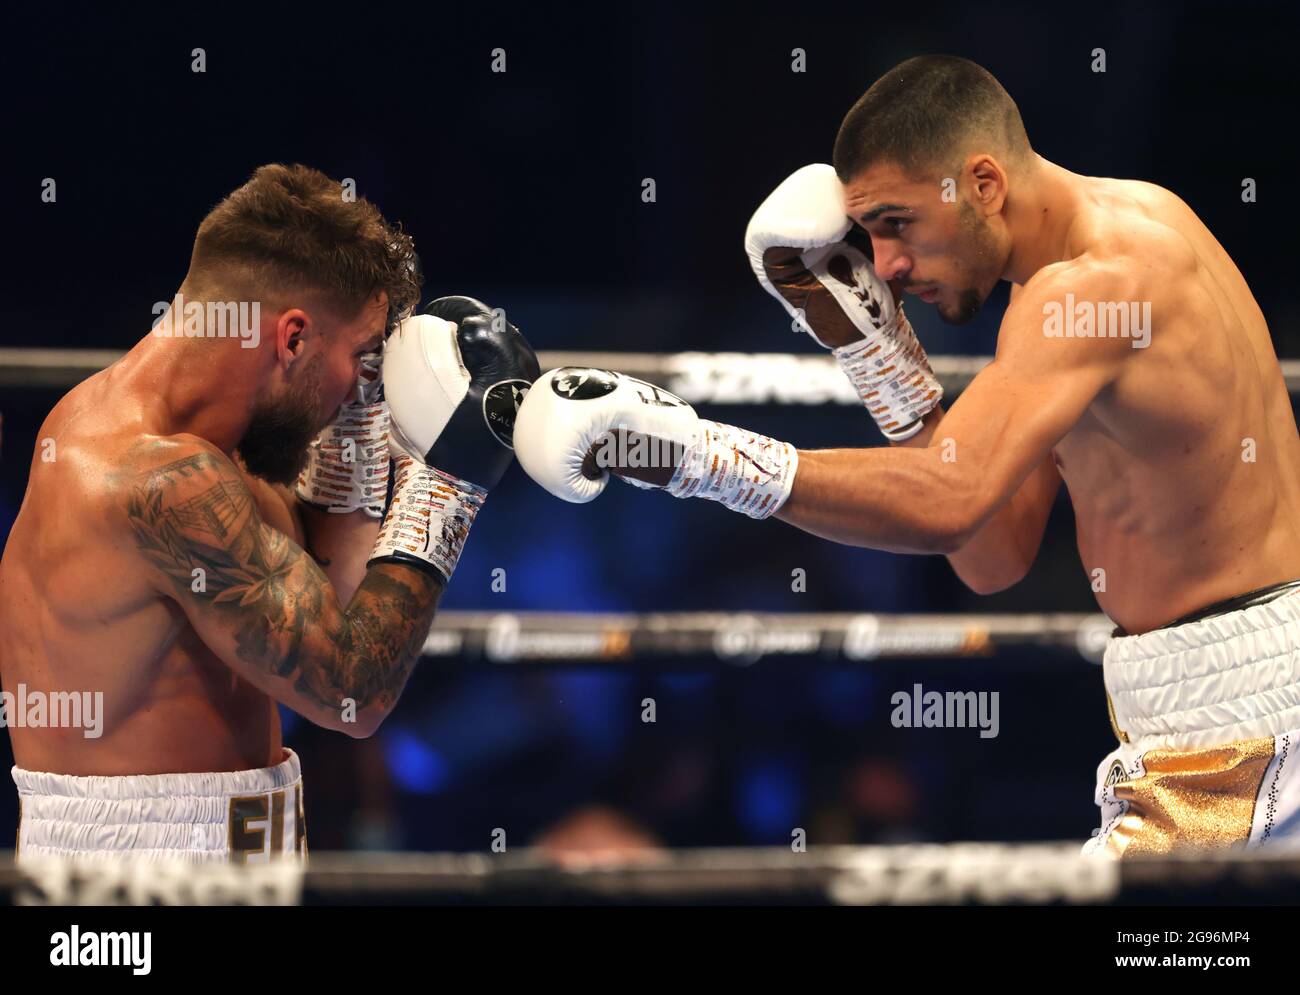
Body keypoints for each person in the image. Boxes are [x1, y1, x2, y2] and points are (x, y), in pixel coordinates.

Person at [511, 56, 1300, 856]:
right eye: (871, 234)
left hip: (1240, 720)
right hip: (1216, 705)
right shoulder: (1069, 281)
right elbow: (992, 548)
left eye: (897, 222)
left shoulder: (1095, 289)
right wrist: (881, 356)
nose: (885, 262)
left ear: (984, 183)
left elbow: (947, 498)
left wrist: (697, 456)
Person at [0, 164, 539, 862]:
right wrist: (447, 484)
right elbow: (353, 693)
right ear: (291, 339)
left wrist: (354, 444)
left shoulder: (220, 453)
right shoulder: (154, 478)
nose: (362, 386)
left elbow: (338, 608)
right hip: (137, 879)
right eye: (361, 357)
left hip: (226, 855)